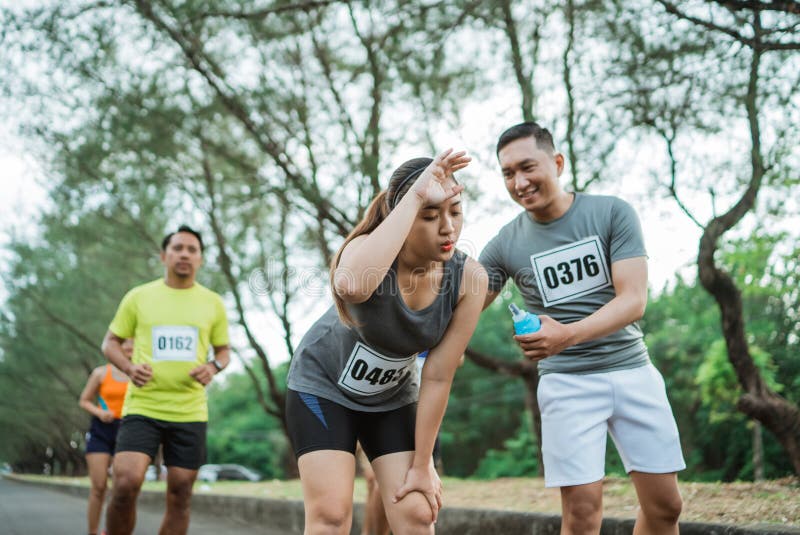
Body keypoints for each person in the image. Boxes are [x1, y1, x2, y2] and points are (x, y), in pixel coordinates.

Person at [479, 122, 685, 534]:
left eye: (527, 167)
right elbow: (457, 306)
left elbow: (633, 300)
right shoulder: (504, 245)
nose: (519, 183)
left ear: (557, 162)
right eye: (507, 173)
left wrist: (567, 335)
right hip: (566, 385)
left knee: (666, 508)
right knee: (582, 514)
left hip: (632, 371)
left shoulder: (611, 212)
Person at [286, 149, 487, 535]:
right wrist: (414, 197)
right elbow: (352, 285)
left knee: (416, 512)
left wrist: (423, 464)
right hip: (323, 387)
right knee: (330, 516)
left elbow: (439, 376)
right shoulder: (366, 252)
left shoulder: (469, 279)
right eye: (430, 215)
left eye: (456, 211)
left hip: (392, 398)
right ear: (404, 215)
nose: (448, 228)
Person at [100, 225, 230, 535]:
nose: (184, 254)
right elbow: (110, 343)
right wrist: (129, 369)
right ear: (164, 255)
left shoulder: (212, 303)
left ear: (200, 259)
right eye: (178, 248)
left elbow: (224, 351)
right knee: (125, 484)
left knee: (181, 492)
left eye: (192, 249)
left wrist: (213, 367)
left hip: (189, 410)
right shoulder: (139, 297)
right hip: (143, 407)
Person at [78, 339, 132, 535]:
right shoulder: (101, 373)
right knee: (99, 486)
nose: (130, 349)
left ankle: (112, 530)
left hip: (126, 430)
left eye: (134, 345)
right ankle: (92, 532)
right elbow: (84, 400)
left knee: (122, 488)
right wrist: (100, 412)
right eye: (126, 345)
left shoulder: (139, 374)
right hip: (102, 429)